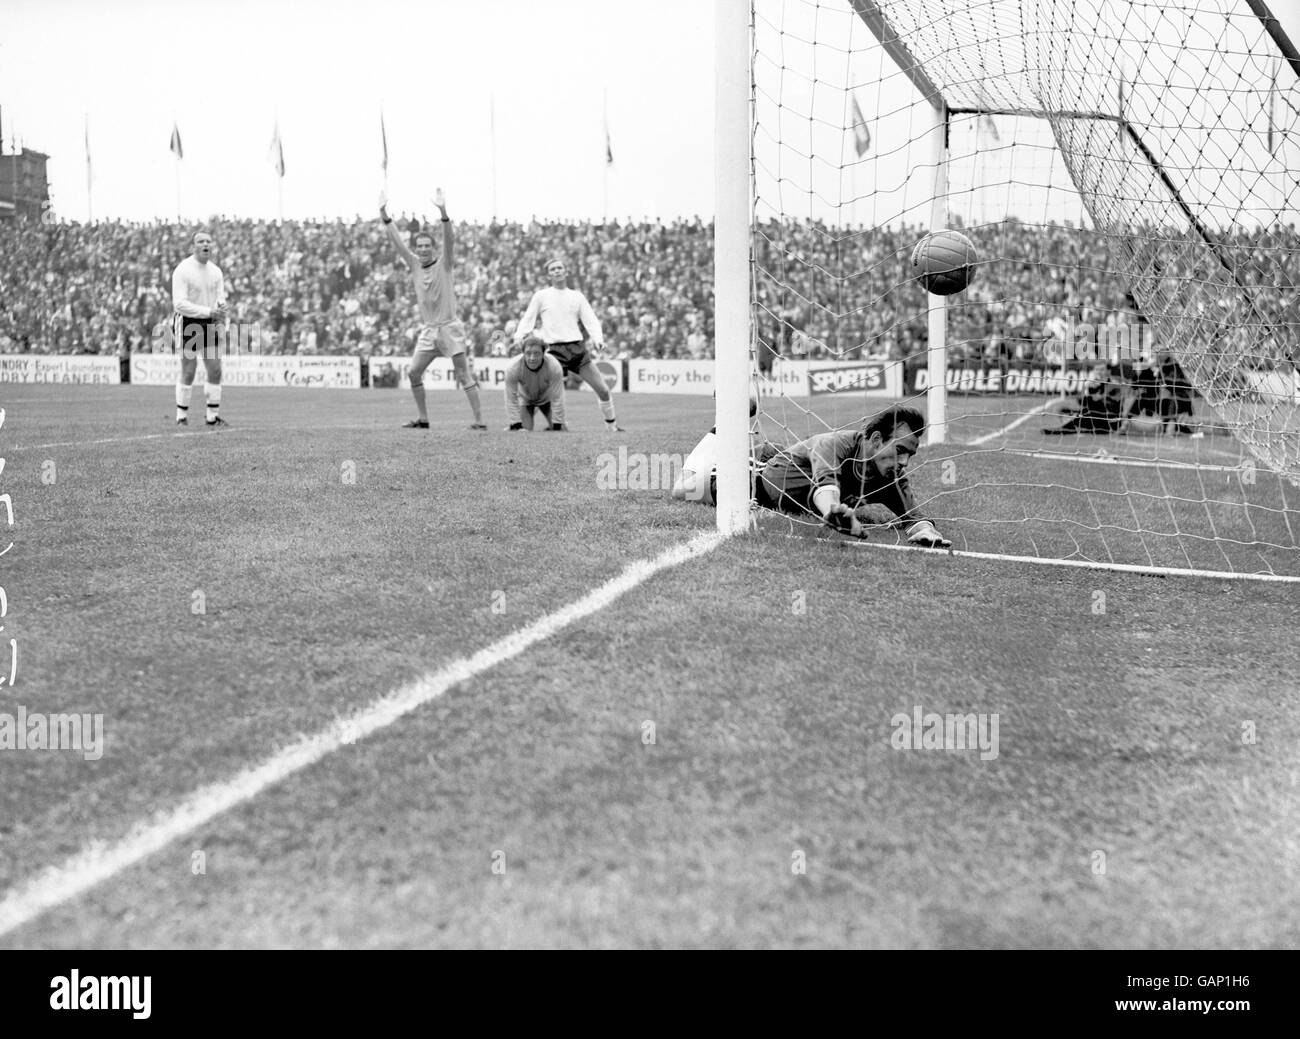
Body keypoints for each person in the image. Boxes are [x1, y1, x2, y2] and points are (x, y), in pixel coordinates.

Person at [756, 404, 951, 547]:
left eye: (910, 455)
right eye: (899, 450)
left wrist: (926, 532)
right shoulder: (835, 444)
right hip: (759, 481)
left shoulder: (892, 477)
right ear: (877, 439)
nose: (904, 462)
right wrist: (832, 511)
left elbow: (914, 517)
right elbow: (825, 487)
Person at [379, 189, 486, 430]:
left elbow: (450, 239)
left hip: (449, 328)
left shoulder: (445, 263)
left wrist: (443, 213)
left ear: (434, 248)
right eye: (420, 246)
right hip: (429, 331)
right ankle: (423, 419)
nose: (424, 249)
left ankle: (479, 421)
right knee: (414, 372)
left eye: (428, 245)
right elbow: (397, 243)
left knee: (463, 375)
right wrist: (385, 215)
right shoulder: (414, 264)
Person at [514, 257, 623, 432]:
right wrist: (519, 336)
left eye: (559, 268)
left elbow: (591, 320)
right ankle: (518, 425)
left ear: (566, 271)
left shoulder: (577, 296)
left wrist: (598, 339)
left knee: (602, 389)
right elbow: (529, 317)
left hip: (576, 349)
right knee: (537, 393)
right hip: (552, 350)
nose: (556, 271)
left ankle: (612, 427)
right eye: (553, 269)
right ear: (549, 275)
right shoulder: (541, 296)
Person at [171, 229, 229, 428]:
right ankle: (181, 417)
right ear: (193, 246)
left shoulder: (216, 271)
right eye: (201, 241)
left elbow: (219, 296)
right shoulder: (183, 270)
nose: (206, 245)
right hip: (188, 322)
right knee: (189, 370)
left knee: (215, 369)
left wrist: (221, 306)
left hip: (209, 322)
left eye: (208, 241)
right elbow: (179, 304)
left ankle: (212, 417)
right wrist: (208, 312)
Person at [504, 336, 567, 431]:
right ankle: (512, 426)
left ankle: (551, 427)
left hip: (547, 400)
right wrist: (516, 424)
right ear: (523, 353)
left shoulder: (554, 366)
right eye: (528, 353)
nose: (532, 358)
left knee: (562, 430)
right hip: (526, 401)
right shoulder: (513, 367)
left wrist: (557, 425)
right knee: (525, 430)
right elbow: (511, 398)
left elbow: (558, 397)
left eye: (537, 353)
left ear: (543, 353)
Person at [1043, 362, 1124, 434]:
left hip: (1111, 422)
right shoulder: (1092, 384)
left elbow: (1098, 400)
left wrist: (1092, 390)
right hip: (1095, 417)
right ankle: (1069, 425)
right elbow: (1080, 402)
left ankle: (1066, 427)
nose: (1099, 372)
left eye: (1102, 369)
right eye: (1096, 370)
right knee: (1072, 409)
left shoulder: (1114, 385)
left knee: (1089, 405)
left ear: (1108, 371)